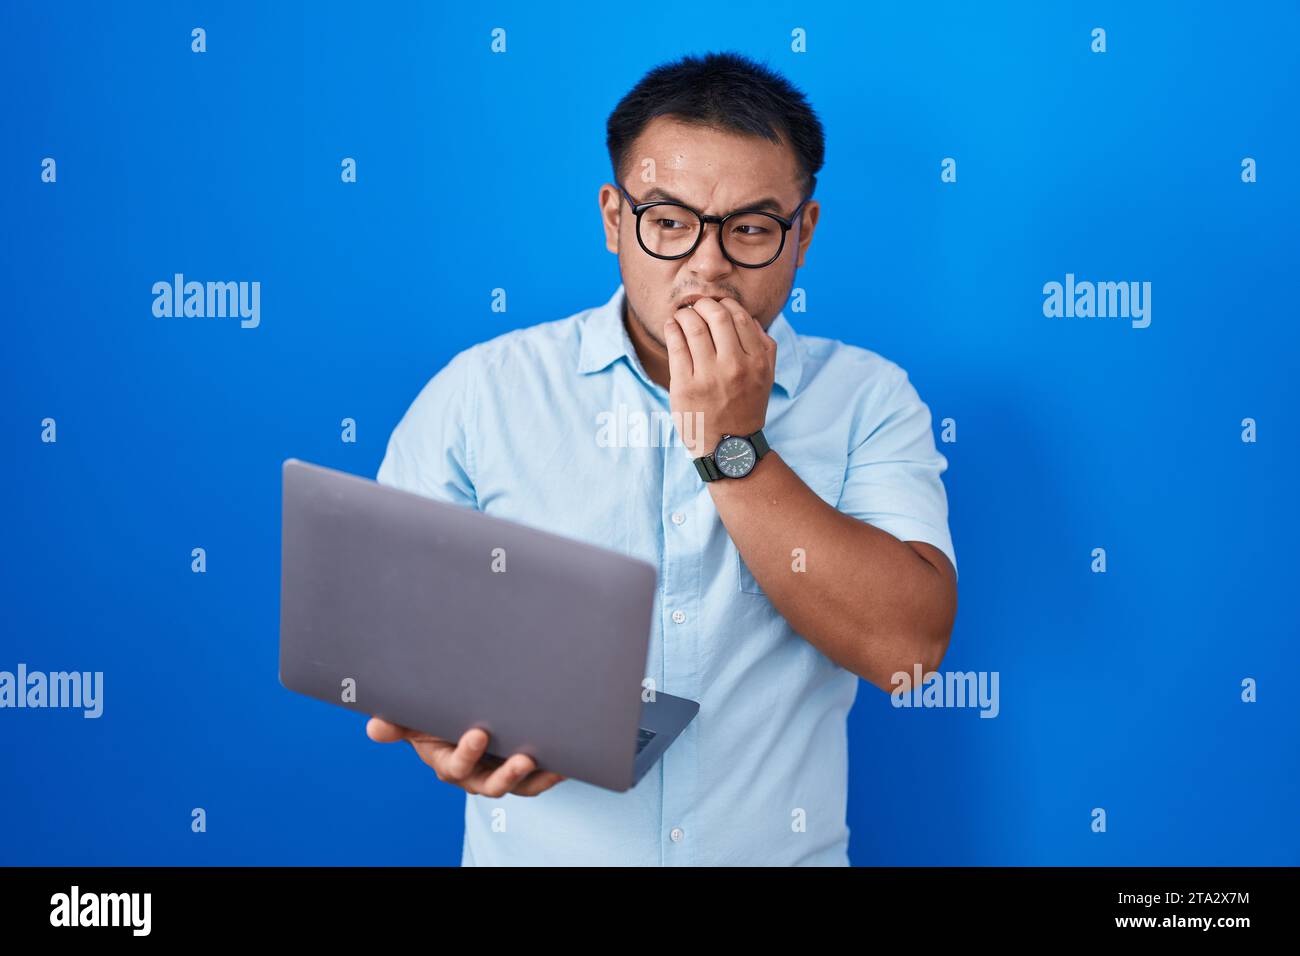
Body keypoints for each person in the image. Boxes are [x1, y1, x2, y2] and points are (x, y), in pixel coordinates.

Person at [368, 51, 957, 865]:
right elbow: (388, 623)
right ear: (615, 218)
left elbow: (909, 656)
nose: (707, 265)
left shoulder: (868, 397)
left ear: (802, 235)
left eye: (751, 229)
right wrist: (436, 727)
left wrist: (733, 446)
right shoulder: (483, 392)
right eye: (670, 223)